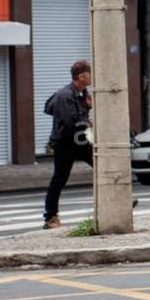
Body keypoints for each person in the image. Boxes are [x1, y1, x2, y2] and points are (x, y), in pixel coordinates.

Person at [43, 60, 94, 229]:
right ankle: (50, 217)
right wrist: (88, 122)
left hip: (79, 140)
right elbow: (70, 120)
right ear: (81, 76)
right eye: (89, 72)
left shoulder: (83, 94)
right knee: (59, 179)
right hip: (64, 143)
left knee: (103, 166)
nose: (92, 76)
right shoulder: (65, 95)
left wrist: (87, 108)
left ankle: (118, 201)